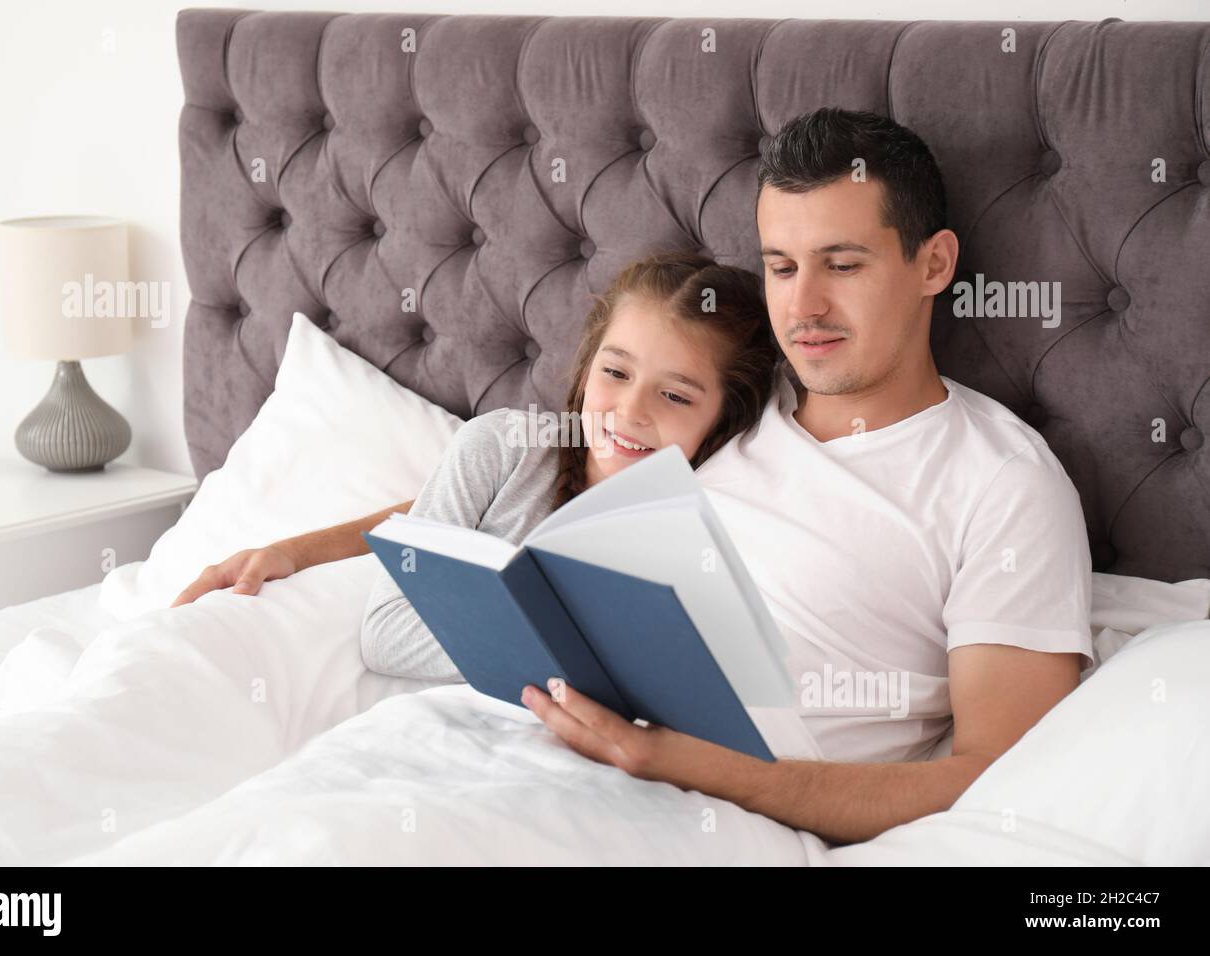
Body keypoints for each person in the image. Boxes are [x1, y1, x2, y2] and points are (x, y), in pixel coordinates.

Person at [517, 107, 1095, 846]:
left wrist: (678, 763)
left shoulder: (1003, 483)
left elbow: (994, 773)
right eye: (781, 268)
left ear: (935, 264)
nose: (804, 306)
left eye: (843, 264)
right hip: (556, 738)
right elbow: (564, 462)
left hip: (718, 813)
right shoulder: (732, 403)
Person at [172, 251, 776, 619]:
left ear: (723, 417)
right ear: (589, 365)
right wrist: (291, 553)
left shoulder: (711, 514)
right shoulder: (525, 451)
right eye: (615, 372)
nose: (631, 410)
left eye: (674, 395)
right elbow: (437, 522)